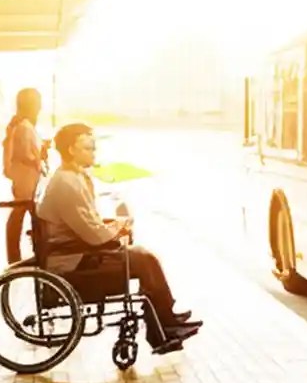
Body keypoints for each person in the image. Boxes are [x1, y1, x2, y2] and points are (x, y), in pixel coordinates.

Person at [36, 123, 202, 355]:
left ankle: (166, 319)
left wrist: (114, 227)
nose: (93, 152)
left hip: (75, 250)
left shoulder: (73, 178)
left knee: (143, 256)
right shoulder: (67, 183)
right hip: (72, 259)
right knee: (144, 259)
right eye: (88, 147)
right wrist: (117, 231)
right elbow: (92, 234)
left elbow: (87, 222)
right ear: (71, 150)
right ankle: (164, 324)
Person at [3, 87, 48, 263]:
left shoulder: (23, 125)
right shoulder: (24, 127)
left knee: (21, 213)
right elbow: (25, 153)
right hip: (25, 176)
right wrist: (39, 156)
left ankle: (17, 254)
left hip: (26, 175)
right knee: (22, 212)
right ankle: (16, 255)